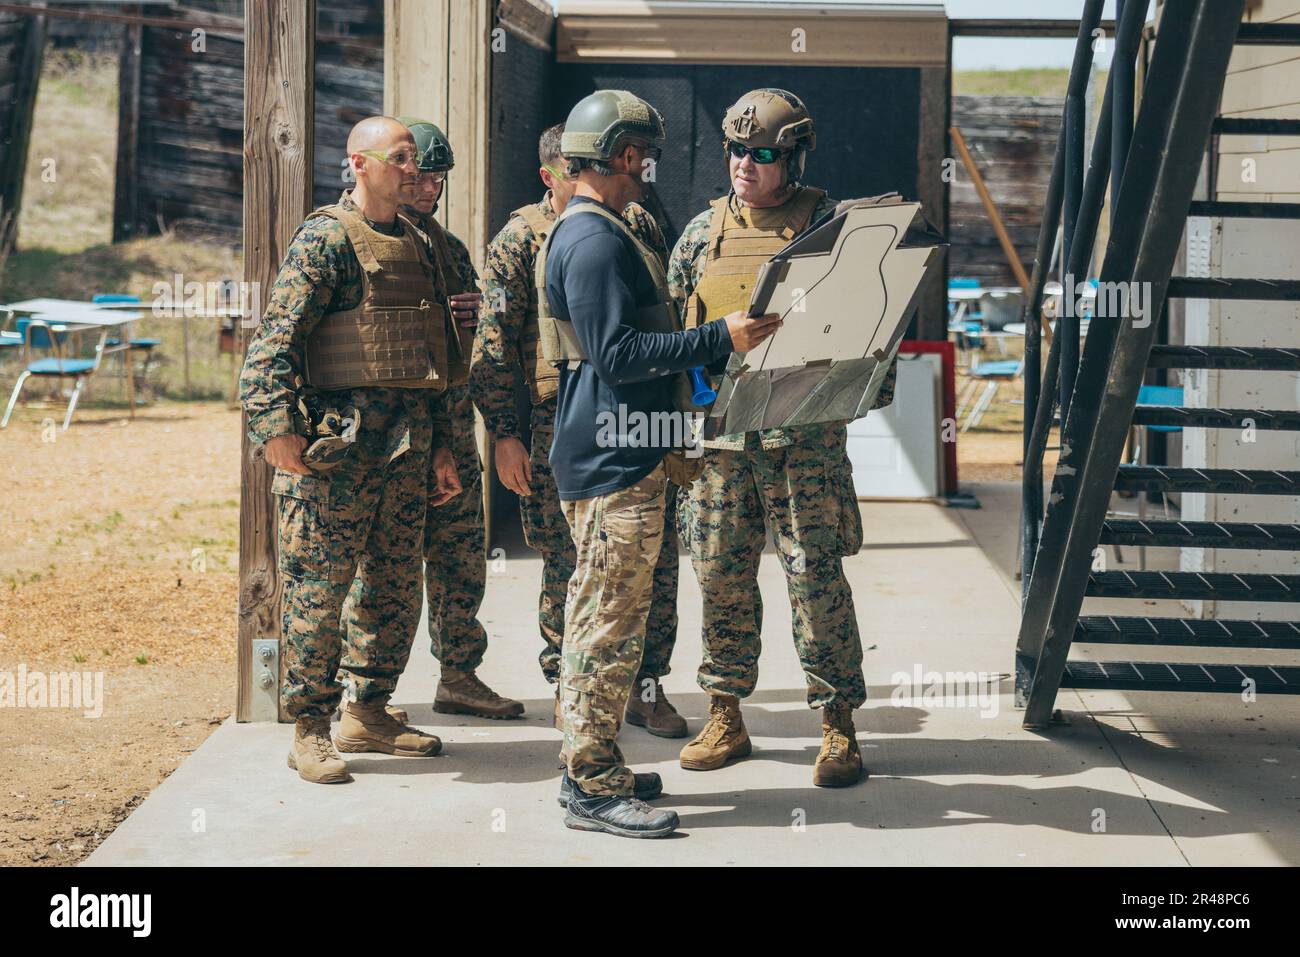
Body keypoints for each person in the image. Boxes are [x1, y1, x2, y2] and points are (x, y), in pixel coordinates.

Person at [541, 90, 782, 837]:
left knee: (609, 618)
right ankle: (591, 784)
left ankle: (595, 758)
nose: (647, 167)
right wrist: (719, 338)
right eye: (641, 153)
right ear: (617, 154)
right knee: (603, 627)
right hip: (612, 460)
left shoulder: (601, 231)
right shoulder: (594, 241)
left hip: (625, 450)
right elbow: (618, 354)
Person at [667, 89, 896, 788]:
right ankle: (725, 712)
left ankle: (837, 724)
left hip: (804, 443)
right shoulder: (700, 235)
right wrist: (679, 429)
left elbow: (874, 333)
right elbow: (674, 339)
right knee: (720, 579)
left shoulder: (832, 230)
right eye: (736, 150)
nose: (744, 163)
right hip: (724, 446)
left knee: (814, 577)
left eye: (761, 152)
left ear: (792, 158)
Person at [240, 115, 459, 784]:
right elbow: (273, 342)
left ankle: (369, 711)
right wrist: (276, 424)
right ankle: (310, 727)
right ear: (360, 164)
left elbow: (439, 358)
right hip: (336, 455)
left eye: (415, 160)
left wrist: (446, 446)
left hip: (406, 451)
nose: (413, 170)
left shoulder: (421, 246)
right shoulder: (327, 240)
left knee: (393, 587)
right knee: (318, 591)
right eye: (399, 158)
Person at [472, 122, 687, 737]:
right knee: (570, 563)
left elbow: (658, 316)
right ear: (551, 175)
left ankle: (644, 687)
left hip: (636, 416)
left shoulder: (636, 222)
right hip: (557, 418)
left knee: (651, 560)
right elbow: (492, 347)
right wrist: (505, 435)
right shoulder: (521, 237)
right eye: (573, 169)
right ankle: (572, 698)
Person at [392, 116, 525, 720]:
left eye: (438, 180)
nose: (429, 191)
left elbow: (480, 341)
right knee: (382, 568)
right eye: (420, 177)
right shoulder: (360, 237)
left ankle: (459, 675)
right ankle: (361, 698)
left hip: (451, 428)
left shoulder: (449, 250)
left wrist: (470, 319)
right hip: (387, 436)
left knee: (461, 558)